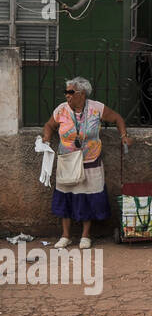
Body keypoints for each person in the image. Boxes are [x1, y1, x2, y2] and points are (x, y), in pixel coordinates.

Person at [41, 77, 133, 249]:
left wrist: (124, 136)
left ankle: (85, 235)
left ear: (81, 94)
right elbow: (49, 125)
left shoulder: (96, 108)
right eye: (66, 92)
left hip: (90, 160)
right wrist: (46, 138)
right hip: (68, 161)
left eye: (70, 92)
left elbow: (117, 118)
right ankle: (65, 236)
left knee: (88, 196)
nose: (67, 96)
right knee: (65, 195)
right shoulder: (61, 110)